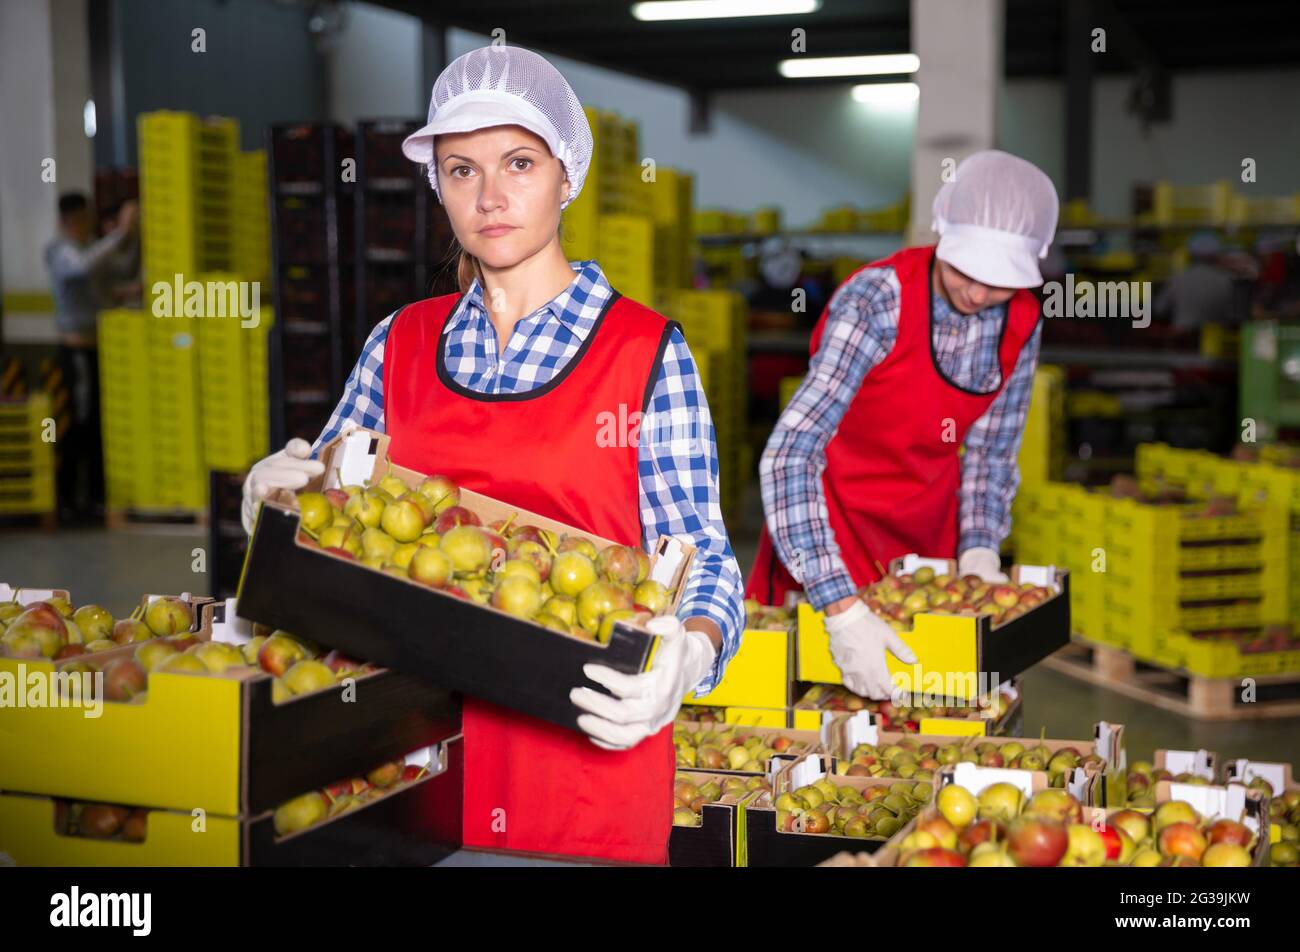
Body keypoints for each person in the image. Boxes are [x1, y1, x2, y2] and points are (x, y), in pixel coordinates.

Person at [240, 46, 744, 865]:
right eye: (460, 169)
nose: (491, 195)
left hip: (581, 776)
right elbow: (332, 519)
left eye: (518, 162)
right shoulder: (397, 345)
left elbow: (705, 553)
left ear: (567, 175)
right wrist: (277, 500)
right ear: (437, 188)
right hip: (409, 777)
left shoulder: (646, 354)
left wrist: (688, 653)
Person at [749, 150, 1059, 701]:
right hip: (827, 529)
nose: (981, 294)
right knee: (800, 706)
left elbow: (991, 453)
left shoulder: (1022, 321)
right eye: (968, 270)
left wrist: (980, 552)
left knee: (921, 717)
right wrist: (842, 611)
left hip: (926, 544)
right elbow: (791, 453)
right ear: (942, 232)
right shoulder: (877, 302)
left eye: (1001, 282)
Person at [44, 192, 139, 522]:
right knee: (77, 423)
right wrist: (119, 235)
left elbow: (118, 269)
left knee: (98, 425)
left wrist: (133, 233)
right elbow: (82, 270)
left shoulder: (90, 249)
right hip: (74, 354)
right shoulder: (60, 252)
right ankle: (68, 500)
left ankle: (96, 499)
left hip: (98, 350)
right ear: (74, 219)